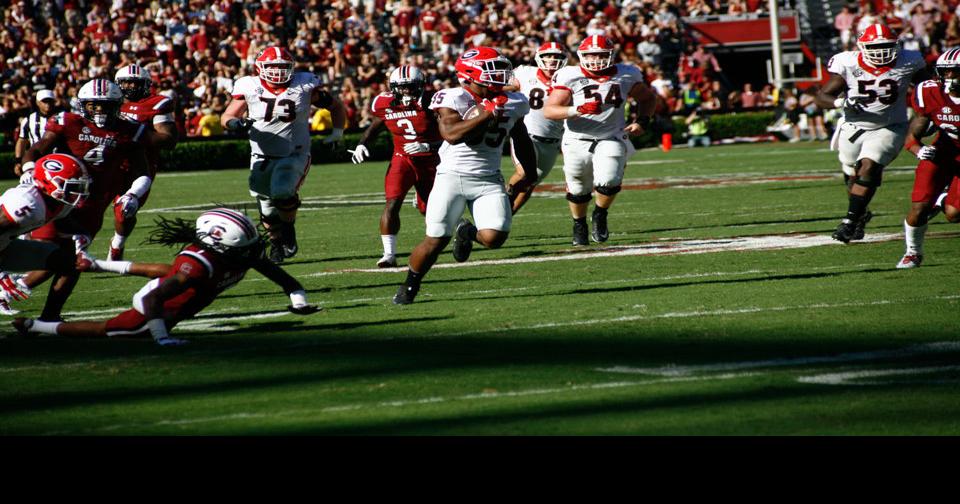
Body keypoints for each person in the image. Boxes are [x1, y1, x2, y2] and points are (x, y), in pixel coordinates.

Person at [12, 209, 320, 346]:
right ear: (217, 245)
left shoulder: (239, 253)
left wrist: (298, 299)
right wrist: (162, 336)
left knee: (179, 274)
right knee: (116, 332)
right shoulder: (201, 263)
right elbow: (151, 297)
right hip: (160, 304)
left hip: (178, 290)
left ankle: (98, 265)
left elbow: (283, 277)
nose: (253, 251)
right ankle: (35, 325)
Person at [392, 47, 537, 305]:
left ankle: (468, 232)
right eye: (493, 68)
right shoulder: (453, 97)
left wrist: (529, 172)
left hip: (488, 178)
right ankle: (410, 284)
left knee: (494, 238)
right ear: (471, 73)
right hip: (451, 177)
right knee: (435, 241)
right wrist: (487, 112)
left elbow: (521, 138)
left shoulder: (513, 102)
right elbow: (452, 134)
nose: (502, 74)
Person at [19, 79, 153, 323]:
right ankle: (10, 289)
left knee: (72, 263)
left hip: (93, 203)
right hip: (59, 198)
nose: (100, 111)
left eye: (106, 106)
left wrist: (133, 193)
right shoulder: (68, 122)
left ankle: (49, 316)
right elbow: (36, 149)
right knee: (60, 257)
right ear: (83, 105)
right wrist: (29, 169)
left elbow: (141, 171)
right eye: (94, 106)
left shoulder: (129, 130)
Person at [221, 46, 347, 263]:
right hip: (261, 154)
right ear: (260, 67)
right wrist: (235, 124)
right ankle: (276, 243)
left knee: (282, 192)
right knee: (267, 207)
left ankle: (288, 231)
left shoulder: (304, 84)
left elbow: (335, 106)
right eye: (273, 67)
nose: (278, 72)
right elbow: (228, 115)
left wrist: (337, 132)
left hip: (294, 152)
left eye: (282, 67)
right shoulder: (249, 86)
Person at [815, 24, 927, 243]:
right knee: (852, 175)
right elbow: (821, 96)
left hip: (890, 126)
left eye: (886, 46)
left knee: (870, 167)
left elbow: (928, 87)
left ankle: (849, 222)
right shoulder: (848, 62)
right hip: (853, 127)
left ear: (896, 45)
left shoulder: (909, 60)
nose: (881, 52)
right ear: (862, 47)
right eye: (875, 47)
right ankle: (860, 213)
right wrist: (842, 101)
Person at [543, 34, 657, 245]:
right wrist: (577, 109)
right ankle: (579, 223)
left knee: (609, 180)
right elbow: (550, 110)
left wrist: (642, 120)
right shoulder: (569, 75)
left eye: (601, 54)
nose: (596, 59)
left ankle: (600, 214)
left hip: (611, 136)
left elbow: (648, 98)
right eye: (591, 55)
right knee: (578, 187)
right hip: (577, 138)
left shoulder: (626, 73)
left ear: (611, 55)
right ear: (581, 56)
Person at [349, 65, 441, 268]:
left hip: (432, 161)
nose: (407, 91)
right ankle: (389, 254)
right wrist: (362, 144)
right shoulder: (384, 103)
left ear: (421, 86)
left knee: (433, 211)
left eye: (411, 86)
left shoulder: (433, 102)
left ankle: (458, 232)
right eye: (402, 87)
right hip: (402, 159)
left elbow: (452, 135)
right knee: (392, 203)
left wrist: (429, 145)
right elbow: (377, 124)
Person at [0, 154, 91, 315]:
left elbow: (64, 223)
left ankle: (49, 318)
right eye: (72, 186)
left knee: (69, 262)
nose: (78, 193)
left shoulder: (58, 202)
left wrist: (81, 235)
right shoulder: (26, 203)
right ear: (49, 183)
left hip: (5, 246)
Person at [896, 49, 960, 269]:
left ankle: (943, 200)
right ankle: (912, 252)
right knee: (919, 207)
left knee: (954, 215)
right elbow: (913, 135)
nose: (949, 77)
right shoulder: (929, 91)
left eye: (955, 71)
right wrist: (918, 150)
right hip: (943, 149)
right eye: (946, 71)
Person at [109, 63, 179, 261]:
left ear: (146, 84)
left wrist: (133, 133)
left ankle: (117, 244)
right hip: (107, 162)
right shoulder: (109, 101)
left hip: (139, 165)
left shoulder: (156, 104)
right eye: (126, 82)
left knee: (124, 212)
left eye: (134, 82)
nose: (130, 86)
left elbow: (168, 139)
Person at [503, 41, 568, 213]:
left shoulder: (569, 77)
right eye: (548, 55)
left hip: (552, 141)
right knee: (524, 173)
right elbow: (509, 86)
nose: (552, 60)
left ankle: (507, 217)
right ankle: (499, 203)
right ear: (539, 57)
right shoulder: (525, 73)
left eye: (557, 56)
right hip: (527, 135)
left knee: (531, 184)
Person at [13, 90, 58, 177]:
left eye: (50, 101)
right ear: (37, 102)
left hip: (57, 158)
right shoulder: (29, 120)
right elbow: (22, 141)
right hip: (36, 159)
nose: (47, 104)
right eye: (44, 101)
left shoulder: (62, 117)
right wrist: (18, 161)